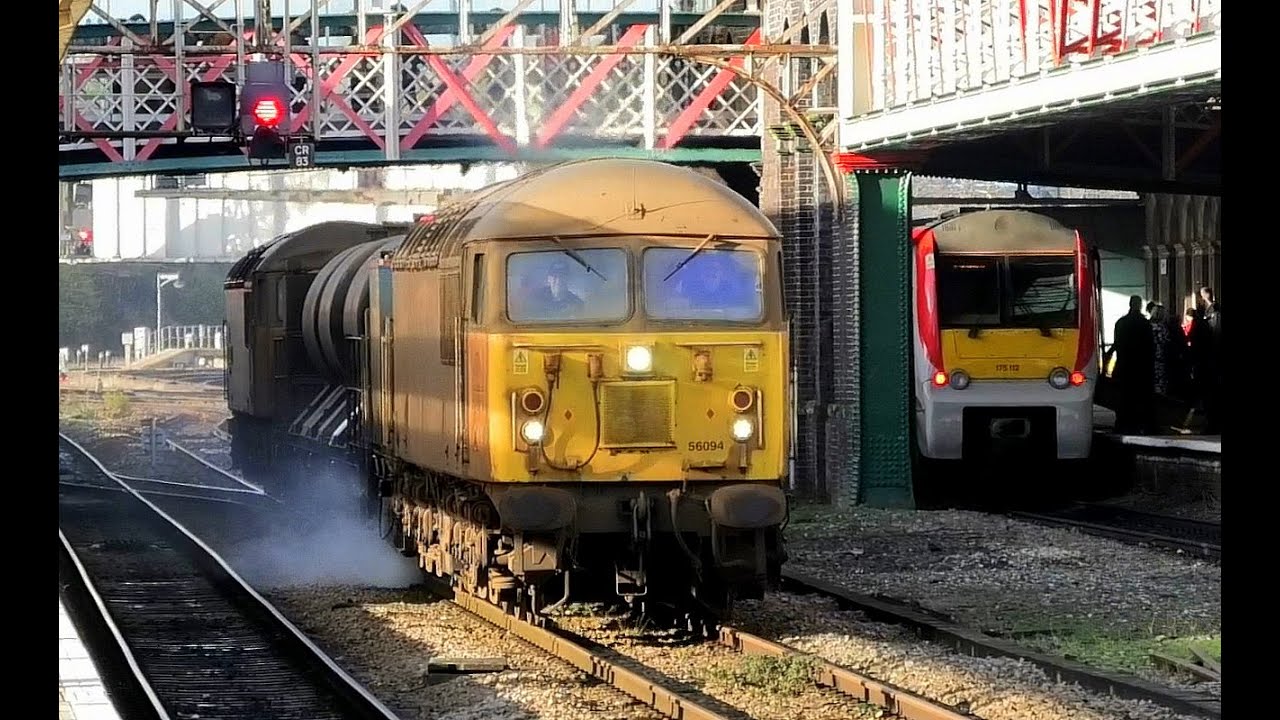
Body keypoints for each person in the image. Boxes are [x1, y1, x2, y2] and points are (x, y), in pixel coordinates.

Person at [1111, 295, 1156, 434]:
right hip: (1142, 367)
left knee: (1124, 397)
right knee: (1143, 397)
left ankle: (1123, 423)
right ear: (1139, 306)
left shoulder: (1121, 323)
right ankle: (1143, 424)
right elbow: (1150, 347)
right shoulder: (1145, 324)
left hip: (1124, 365)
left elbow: (1117, 344)